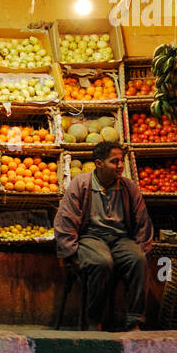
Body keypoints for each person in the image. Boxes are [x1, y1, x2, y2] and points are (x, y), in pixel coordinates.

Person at [53, 140, 154, 330]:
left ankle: (134, 321)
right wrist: (71, 253)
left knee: (138, 260)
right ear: (99, 164)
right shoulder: (81, 184)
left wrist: (140, 247)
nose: (120, 166)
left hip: (121, 238)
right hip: (91, 237)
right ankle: (93, 320)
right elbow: (65, 220)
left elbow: (142, 221)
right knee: (101, 263)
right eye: (114, 161)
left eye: (121, 161)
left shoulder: (128, 187)